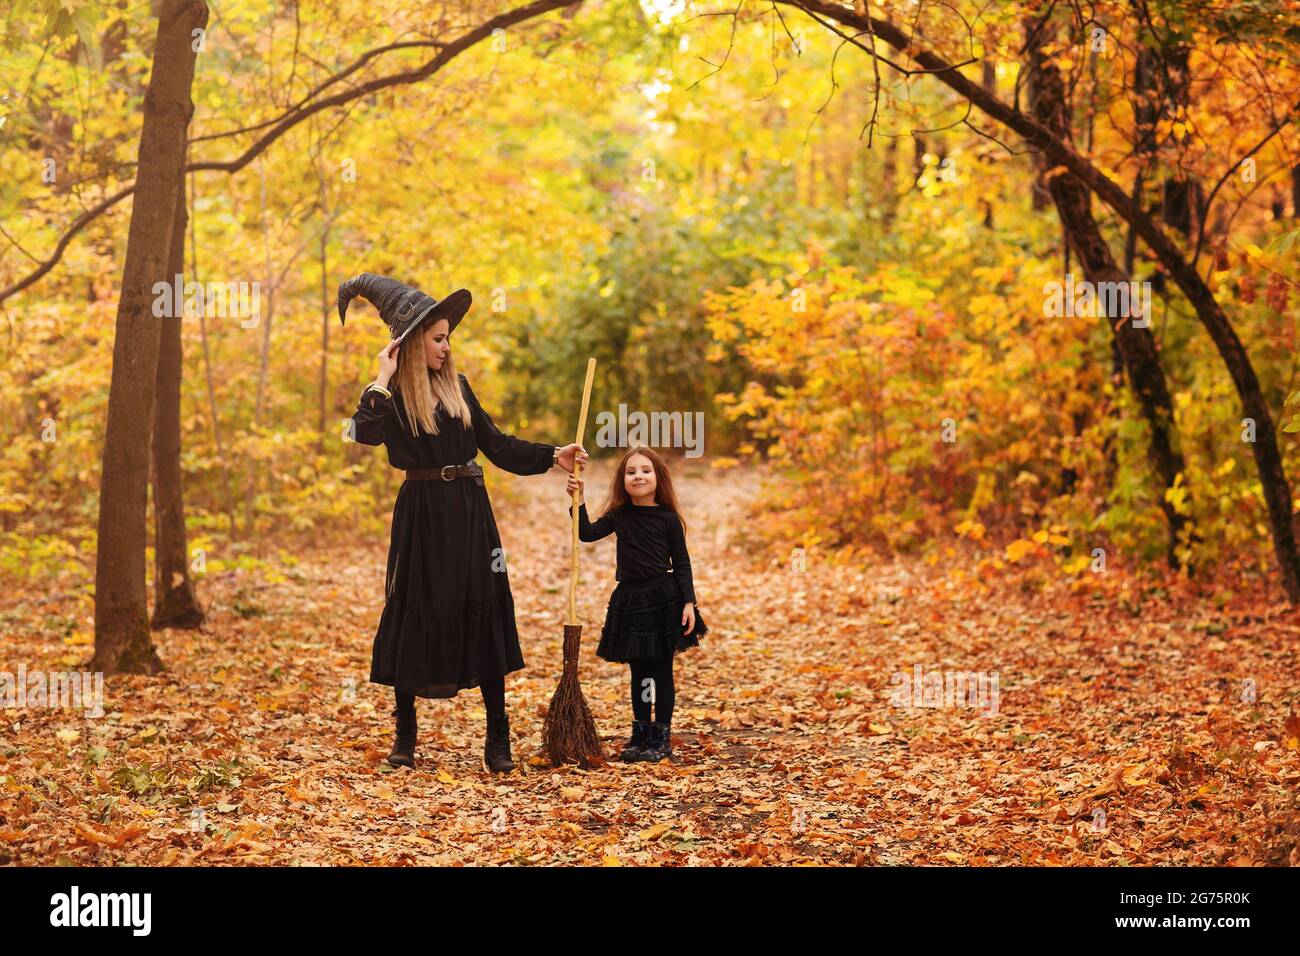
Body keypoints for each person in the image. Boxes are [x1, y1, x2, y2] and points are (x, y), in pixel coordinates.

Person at [339, 272, 588, 773]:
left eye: (447, 337)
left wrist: (553, 455)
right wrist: (380, 378)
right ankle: (404, 738)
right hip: (422, 516)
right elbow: (360, 436)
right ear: (409, 345)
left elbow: (498, 446)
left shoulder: (460, 389)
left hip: (470, 514)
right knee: (416, 608)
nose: (446, 348)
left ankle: (498, 739)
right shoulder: (389, 400)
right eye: (436, 338)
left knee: (482, 608)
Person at [565, 445, 708, 762]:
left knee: (661, 671)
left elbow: (682, 564)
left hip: (663, 599)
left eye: (645, 470)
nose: (638, 476)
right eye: (631, 472)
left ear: (658, 477)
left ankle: (661, 737)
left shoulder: (668, 520)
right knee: (639, 672)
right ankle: (641, 735)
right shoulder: (620, 515)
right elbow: (586, 534)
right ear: (622, 479)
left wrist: (689, 602)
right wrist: (579, 500)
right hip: (631, 600)